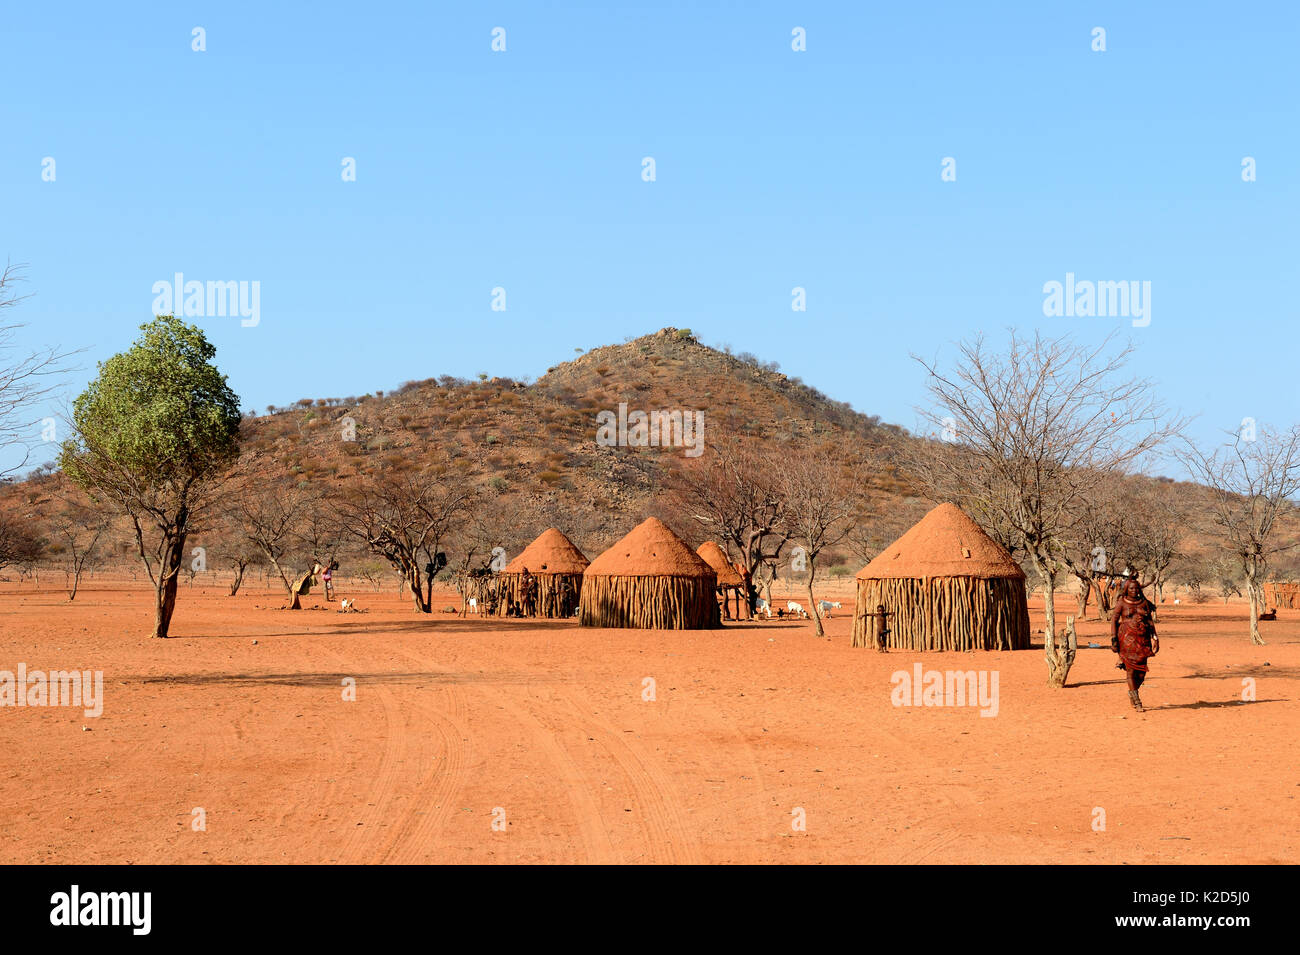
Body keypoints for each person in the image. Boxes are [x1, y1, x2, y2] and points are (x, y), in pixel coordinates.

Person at [1110, 578, 1159, 712]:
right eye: (1131, 588)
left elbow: (1149, 621)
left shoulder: (1144, 603)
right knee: (1131, 670)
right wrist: (1114, 639)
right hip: (1126, 640)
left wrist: (1155, 637)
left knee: (1142, 673)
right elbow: (1114, 620)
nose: (1134, 590)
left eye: (1136, 588)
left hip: (1143, 640)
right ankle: (1137, 700)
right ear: (1126, 589)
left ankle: (1132, 691)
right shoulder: (1122, 603)